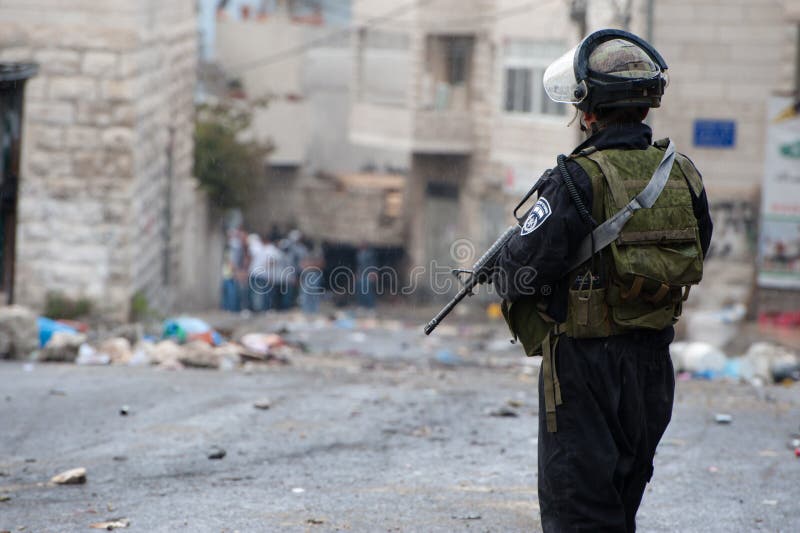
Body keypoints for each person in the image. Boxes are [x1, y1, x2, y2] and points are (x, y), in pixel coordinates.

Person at [493, 29, 713, 532]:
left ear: (587, 111)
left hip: (585, 369)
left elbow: (518, 274)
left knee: (579, 513)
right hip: (652, 367)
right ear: (646, 105)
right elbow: (698, 247)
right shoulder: (682, 174)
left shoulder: (575, 179)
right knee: (619, 504)